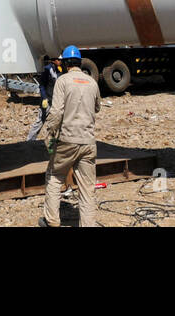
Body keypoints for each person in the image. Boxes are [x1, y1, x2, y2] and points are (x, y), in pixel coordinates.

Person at [41, 45, 101, 227]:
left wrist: (48, 133)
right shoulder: (92, 82)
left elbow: (57, 112)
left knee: (54, 176)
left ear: (66, 63)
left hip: (67, 140)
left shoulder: (63, 81)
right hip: (88, 141)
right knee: (87, 188)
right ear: (80, 62)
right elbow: (97, 107)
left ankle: (51, 220)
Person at [26, 55, 62, 142]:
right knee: (40, 120)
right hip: (47, 100)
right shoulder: (47, 69)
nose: (61, 61)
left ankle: (57, 139)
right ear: (54, 60)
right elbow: (42, 85)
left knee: (59, 119)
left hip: (55, 100)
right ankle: (30, 140)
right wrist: (44, 98)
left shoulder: (58, 69)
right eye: (59, 60)